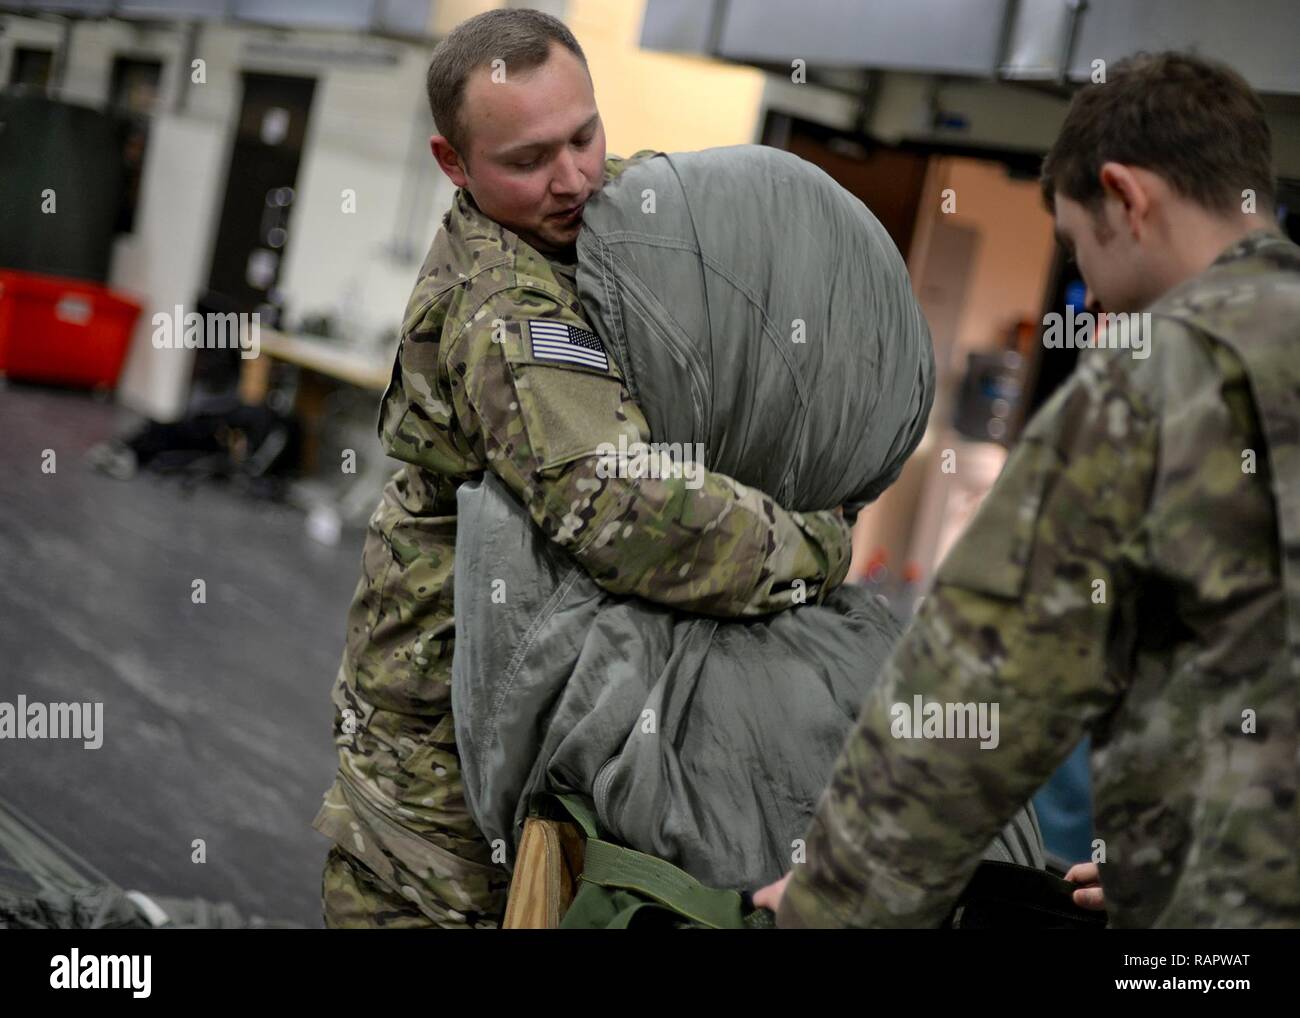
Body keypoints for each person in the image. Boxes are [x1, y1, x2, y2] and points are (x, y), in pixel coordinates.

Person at [313, 8, 852, 929]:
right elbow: (621, 512)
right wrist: (809, 548)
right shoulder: (504, 313)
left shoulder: (598, 210)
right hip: (439, 781)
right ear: (455, 165)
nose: (571, 179)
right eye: (526, 160)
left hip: (529, 728)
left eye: (584, 136)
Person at [756, 51, 1300, 928]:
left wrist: (832, 902)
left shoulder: (1162, 379)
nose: (1088, 302)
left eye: (1082, 252)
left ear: (1127, 197)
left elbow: (977, 693)